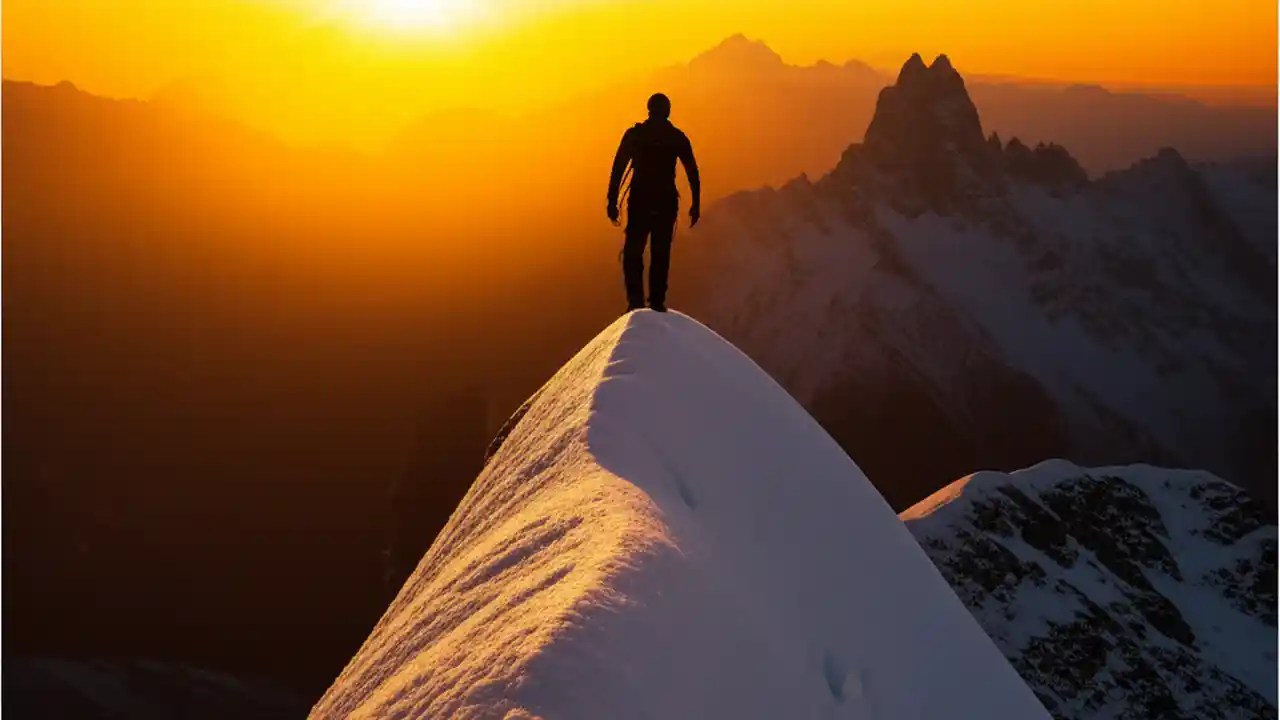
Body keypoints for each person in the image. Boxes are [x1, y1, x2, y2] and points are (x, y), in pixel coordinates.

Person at [607, 93, 700, 313]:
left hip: (640, 201)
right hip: (665, 203)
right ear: (667, 111)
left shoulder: (636, 135)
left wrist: (612, 200)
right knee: (660, 253)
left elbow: (618, 168)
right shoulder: (676, 137)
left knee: (634, 252)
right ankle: (656, 301)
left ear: (649, 109)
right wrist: (695, 204)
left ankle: (635, 301)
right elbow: (692, 172)